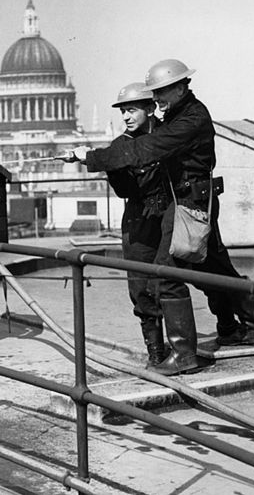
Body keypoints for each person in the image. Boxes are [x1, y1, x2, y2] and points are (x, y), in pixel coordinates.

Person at [70, 60, 254, 376]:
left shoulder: (190, 119)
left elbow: (150, 147)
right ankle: (240, 328)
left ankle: (187, 354)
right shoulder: (175, 115)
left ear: (181, 86)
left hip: (190, 204)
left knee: (170, 273)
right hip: (184, 202)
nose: (157, 99)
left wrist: (93, 157)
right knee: (212, 267)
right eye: (154, 93)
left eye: (161, 92)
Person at [104, 83, 169, 367]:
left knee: (172, 282)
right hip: (140, 220)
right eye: (123, 112)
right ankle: (156, 351)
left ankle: (230, 325)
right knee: (141, 288)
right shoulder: (120, 146)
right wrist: (113, 169)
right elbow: (124, 190)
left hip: (170, 216)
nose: (126, 117)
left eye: (131, 110)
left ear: (150, 108)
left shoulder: (169, 137)